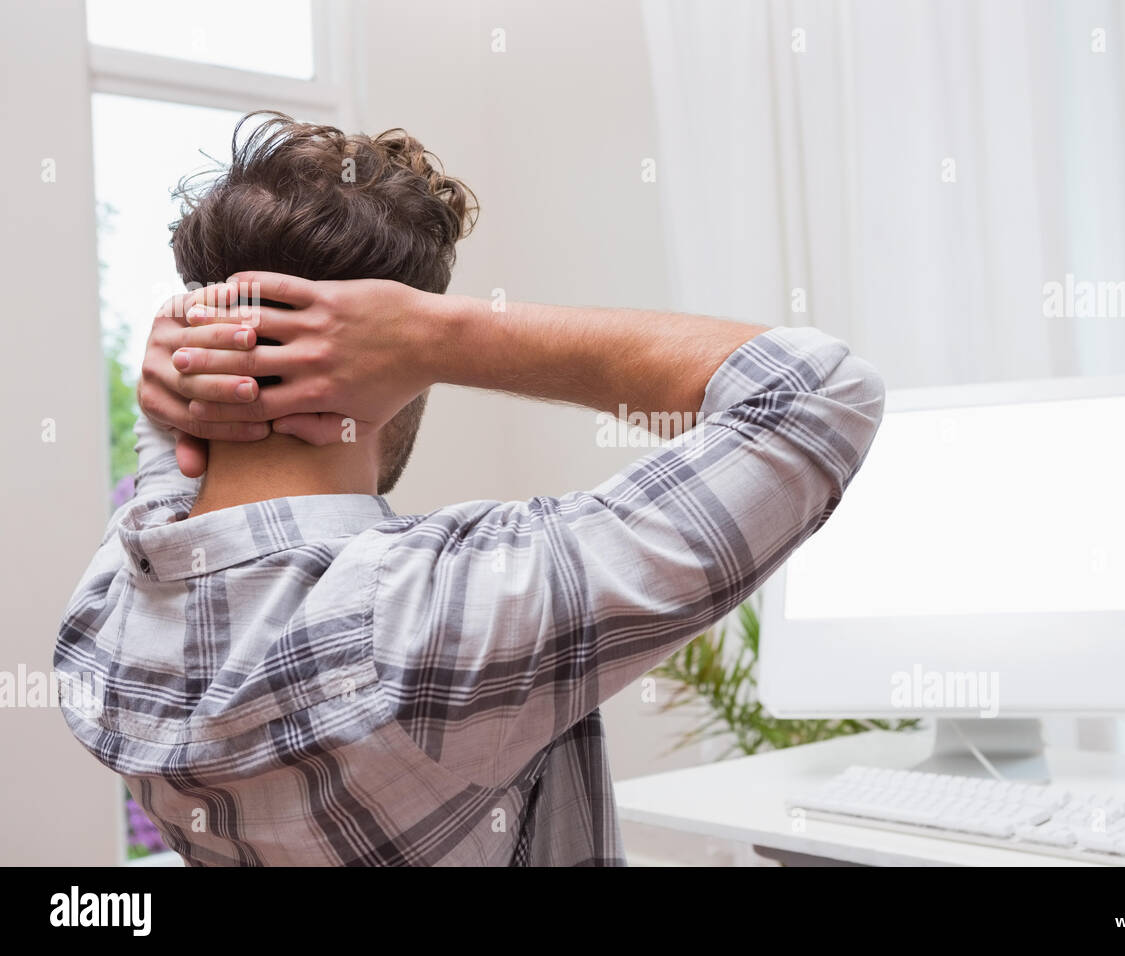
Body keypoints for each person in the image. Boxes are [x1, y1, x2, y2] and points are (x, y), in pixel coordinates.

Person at [55, 112, 885, 865]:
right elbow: (817, 393)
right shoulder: (435, 614)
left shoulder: (105, 615)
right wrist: (440, 333)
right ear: (389, 361)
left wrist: (196, 349)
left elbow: (170, 457)